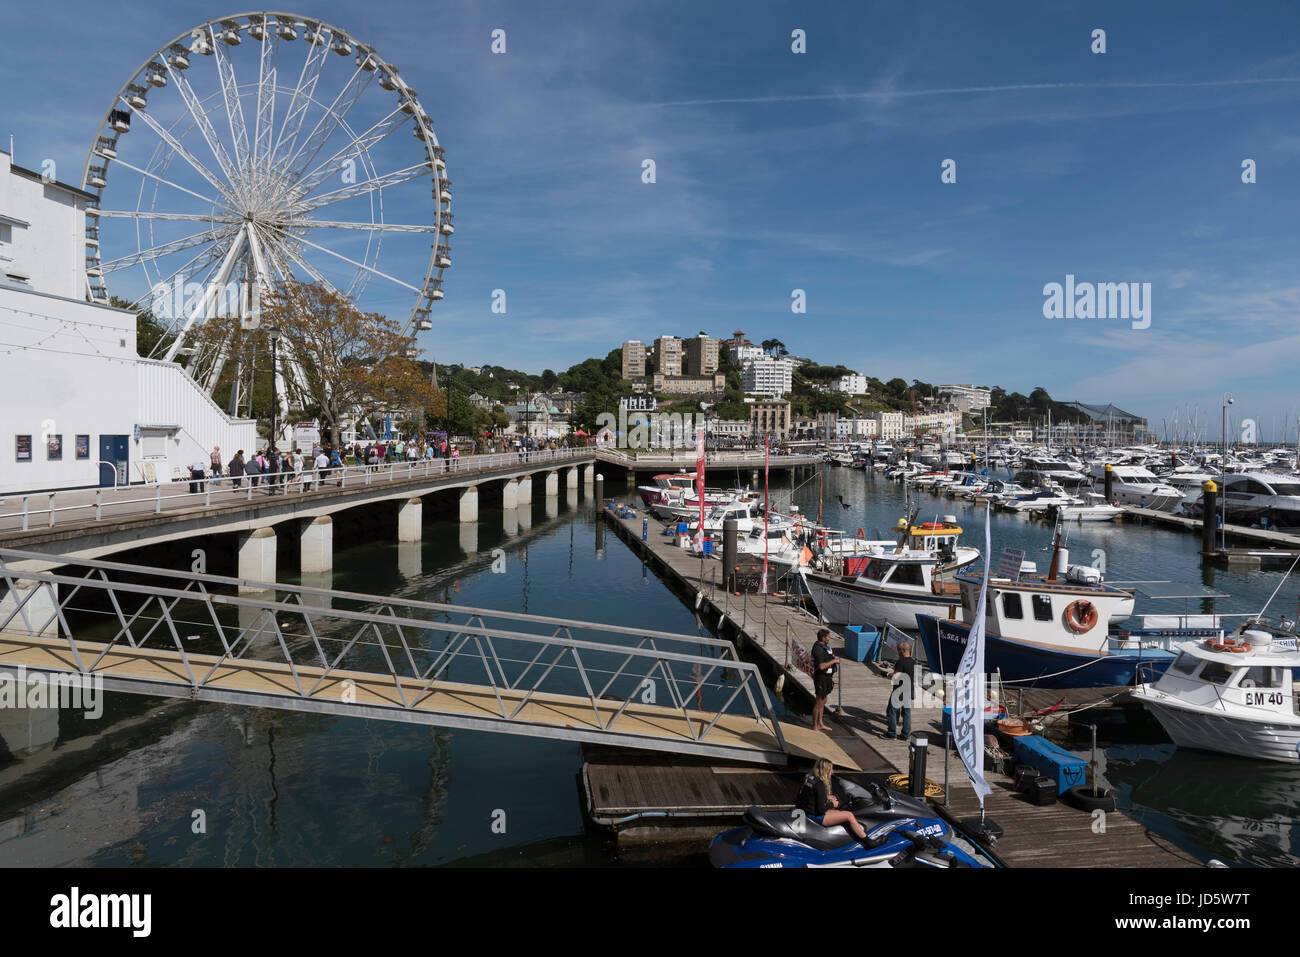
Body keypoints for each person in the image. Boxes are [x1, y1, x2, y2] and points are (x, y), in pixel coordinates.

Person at [794, 758, 869, 845]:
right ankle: (869, 843)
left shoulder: (809, 779)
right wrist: (832, 804)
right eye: (831, 769)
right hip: (815, 816)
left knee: (839, 813)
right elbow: (821, 810)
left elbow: (808, 797)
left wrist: (826, 797)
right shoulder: (820, 785)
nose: (832, 772)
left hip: (806, 812)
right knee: (849, 815)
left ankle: (851, 839)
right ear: (825, 770)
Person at [886, 640, 917, 740]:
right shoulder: (913, 662)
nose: (898, 652)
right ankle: (906, 735)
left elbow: (895, 677)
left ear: (903, 650)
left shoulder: (901, 661)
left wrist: (887, 674)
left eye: (899, 650)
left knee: (892, 711)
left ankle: (891, 733)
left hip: (899, 691)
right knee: (906, 713)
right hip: (909, 689)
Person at [811, 628, 838, 732]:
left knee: (824, 700)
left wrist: (832, 658)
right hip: (820, 677)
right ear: (823, 638)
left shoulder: (825, 646)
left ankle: (821, 723)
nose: (829, 638)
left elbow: (828, 657)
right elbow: (821, 666)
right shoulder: (818, 649)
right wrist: (834, 661)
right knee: (819, 701)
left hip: (827, 677)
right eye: (828, 637)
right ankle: (814, 726)